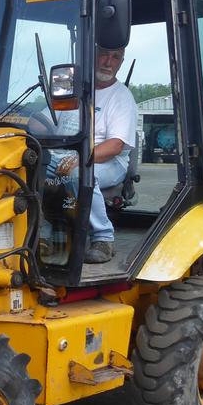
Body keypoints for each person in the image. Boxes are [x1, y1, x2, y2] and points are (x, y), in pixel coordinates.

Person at [51, 46, 138, 263]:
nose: (108, 62)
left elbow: (115, 145)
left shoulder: (121, 97)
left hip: (108, 161)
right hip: (65, 156)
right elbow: (45, 119)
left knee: (78, 175)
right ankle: (46, 233)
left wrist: (79, 158)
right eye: (104, 54)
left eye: (116, 57)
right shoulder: (75, 90)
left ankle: (103, 238)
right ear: (92, 55)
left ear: (121, 62)